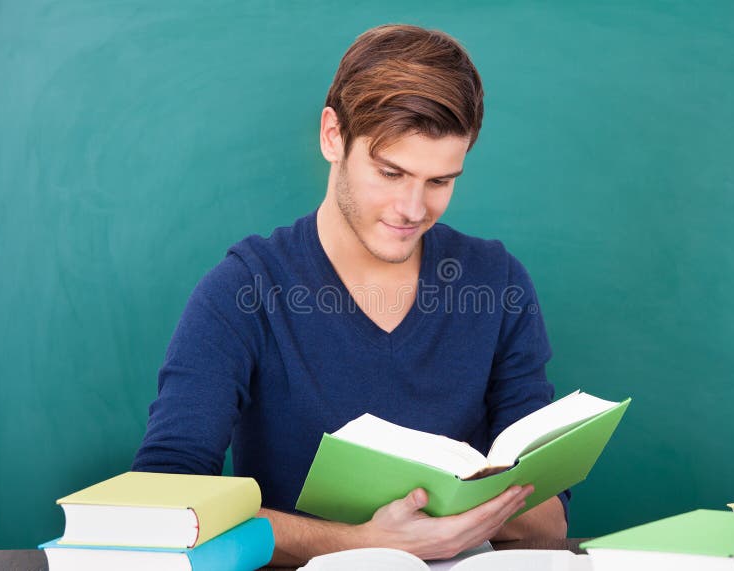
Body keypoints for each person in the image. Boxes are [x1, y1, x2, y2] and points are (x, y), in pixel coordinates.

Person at [132, 23, 569, 565]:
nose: (412, 209)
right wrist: (361, 542)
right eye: (390, 172)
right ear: (333, 136)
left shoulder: (498, 284)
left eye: (440, 182)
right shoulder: (245, 290)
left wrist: (475, 508)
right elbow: (163, 496)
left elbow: (550, 523)